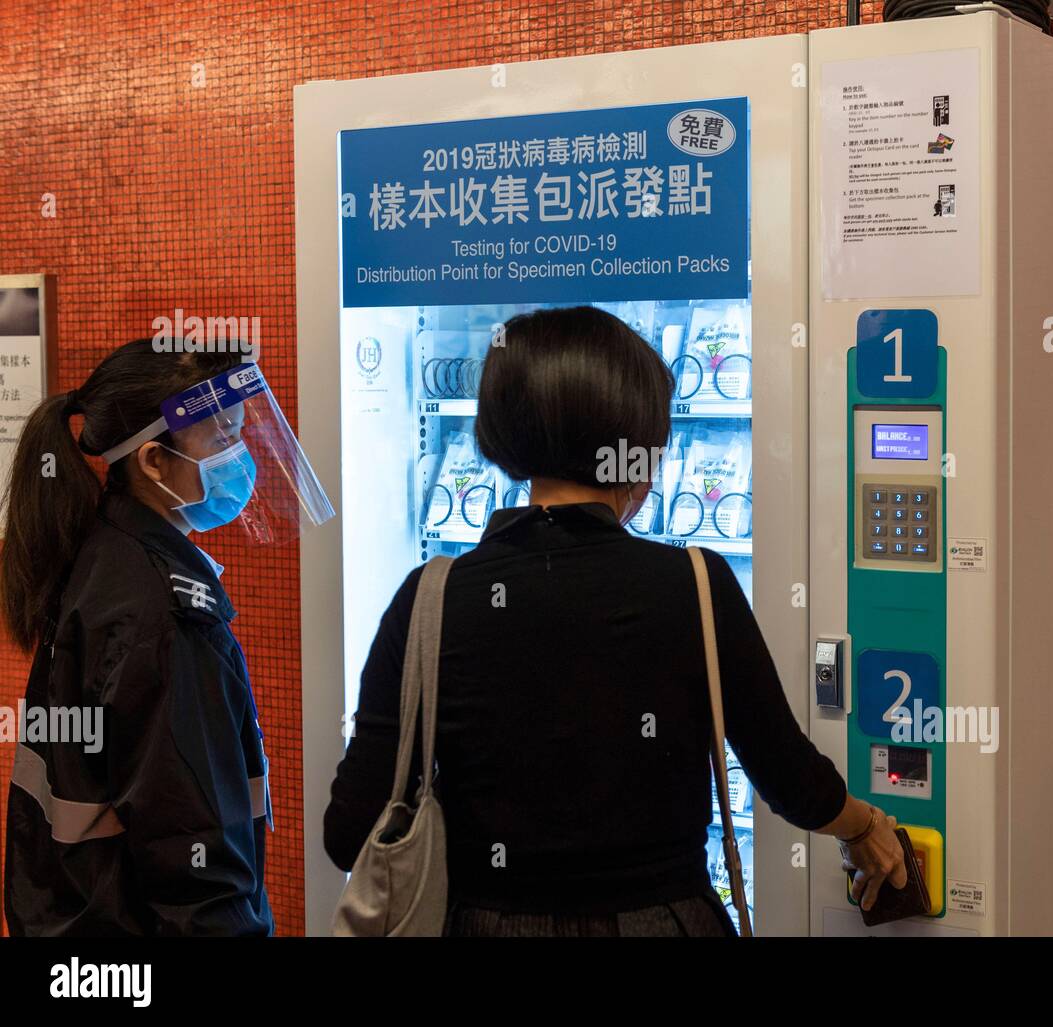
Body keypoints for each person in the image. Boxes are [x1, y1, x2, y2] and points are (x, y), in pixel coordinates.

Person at [324, 305, 904, 936]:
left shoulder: (428, 598)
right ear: (636, 452)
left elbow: (351, 831)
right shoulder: (697, 585)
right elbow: (791, 781)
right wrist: (866, 827)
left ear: (501, 435)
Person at [1, 339, 334, 936]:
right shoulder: (161, 617)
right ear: (153, 462)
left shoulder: (105, 551)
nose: (242, 458)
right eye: (222, 438)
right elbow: (192, 850)